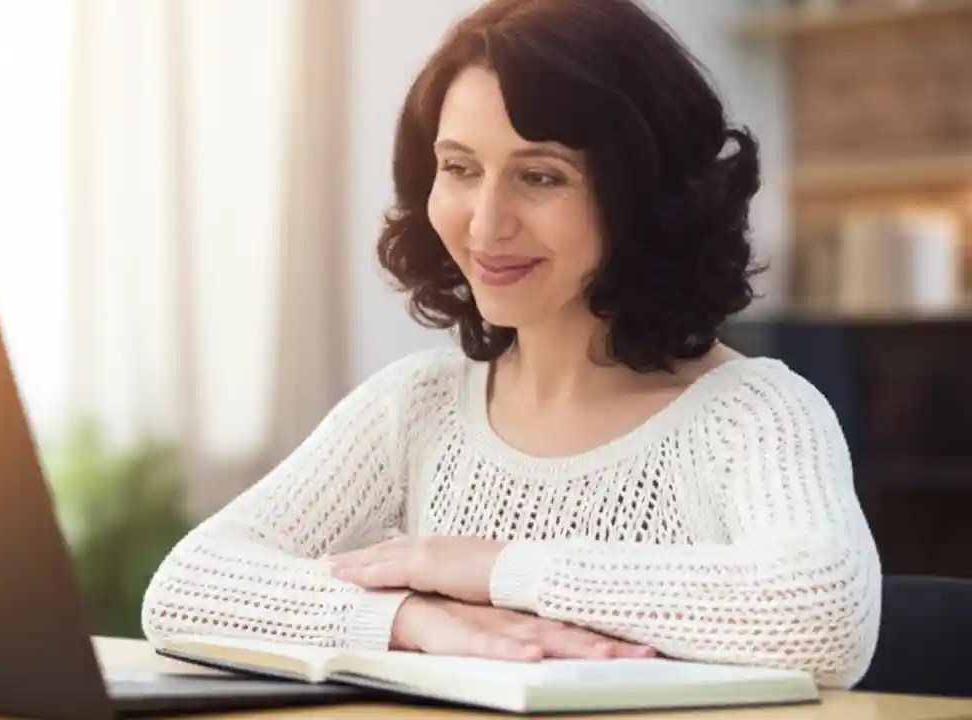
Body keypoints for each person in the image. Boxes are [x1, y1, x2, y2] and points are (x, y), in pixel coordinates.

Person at [142, 0, 880, 687]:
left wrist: (494, 568)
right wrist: (412, 619)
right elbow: (189, 585)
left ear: (644, 194)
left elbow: (822, 620)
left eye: (539, 175)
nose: (486, 224)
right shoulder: (418, 405)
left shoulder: (754, 414)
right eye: (459, 168)